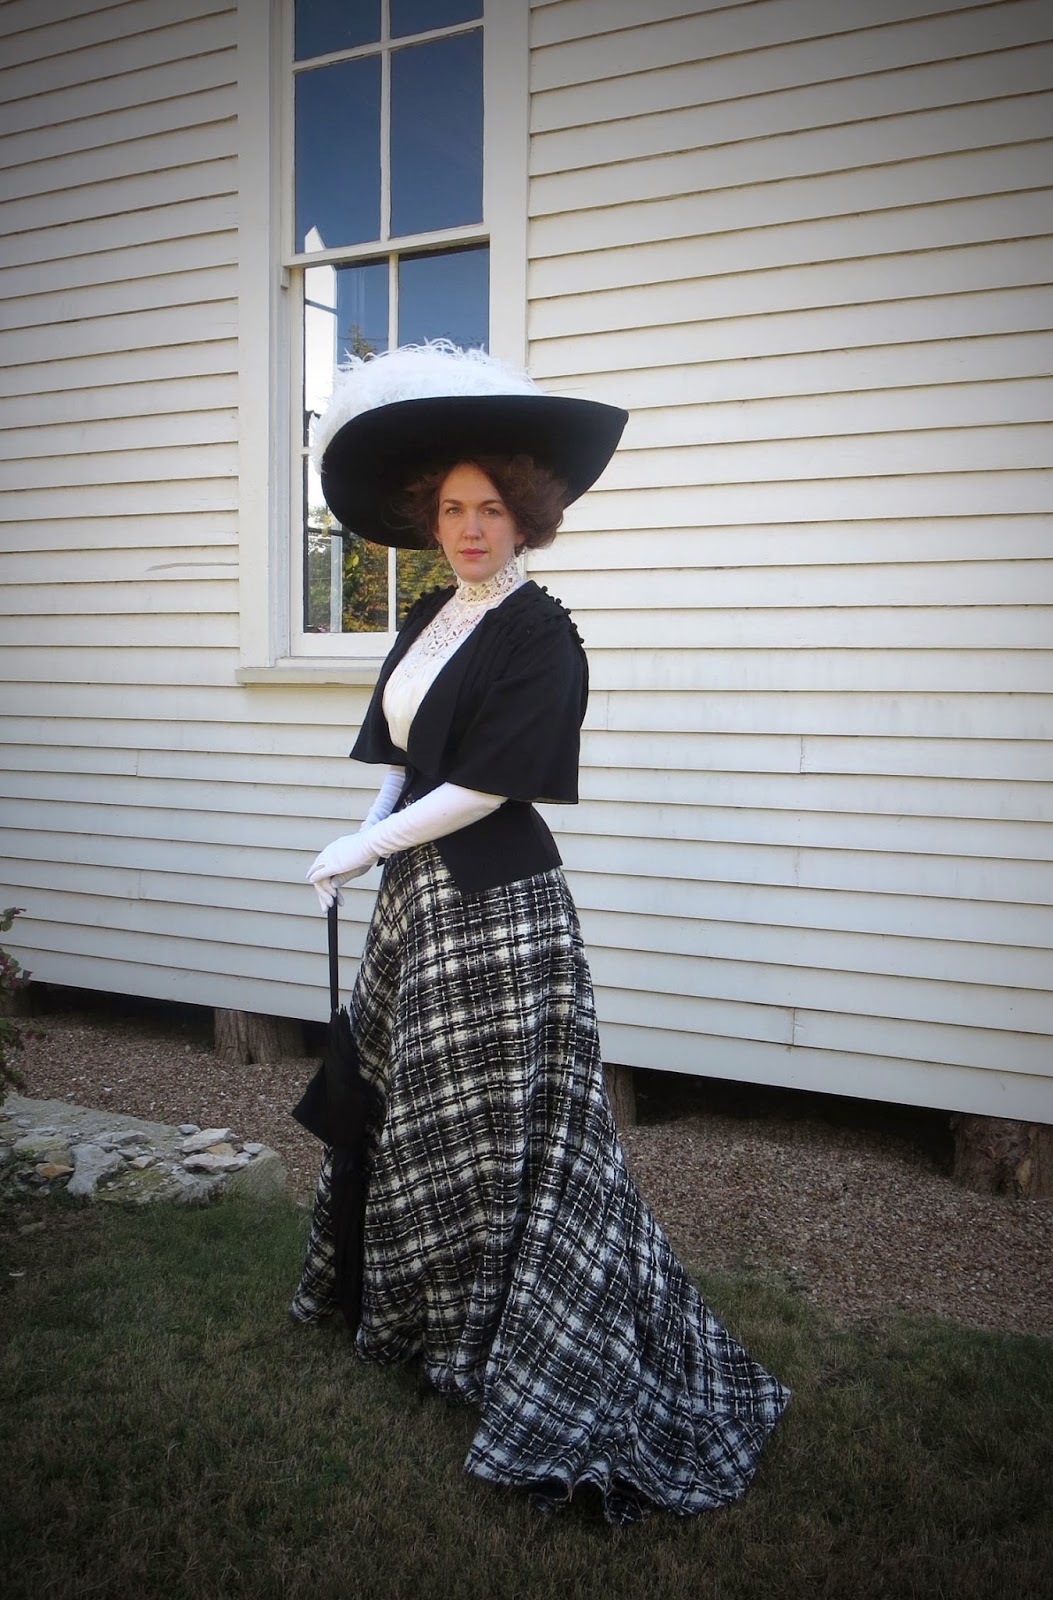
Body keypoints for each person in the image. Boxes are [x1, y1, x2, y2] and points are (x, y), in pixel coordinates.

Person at [291, 341, 789, 1524]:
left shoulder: (540, 635)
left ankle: (527, 1351)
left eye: (492, 508)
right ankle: (427, 1325)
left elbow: (488, 785)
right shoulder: (430, 615)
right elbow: (405, 758)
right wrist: (352, 836)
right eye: (453, 509)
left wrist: (369, 847)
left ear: (530, 515)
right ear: (431, 518)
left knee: (507, 1144)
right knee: (417, 1118)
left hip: (500, 918)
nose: (471, 527)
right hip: (417, 906)